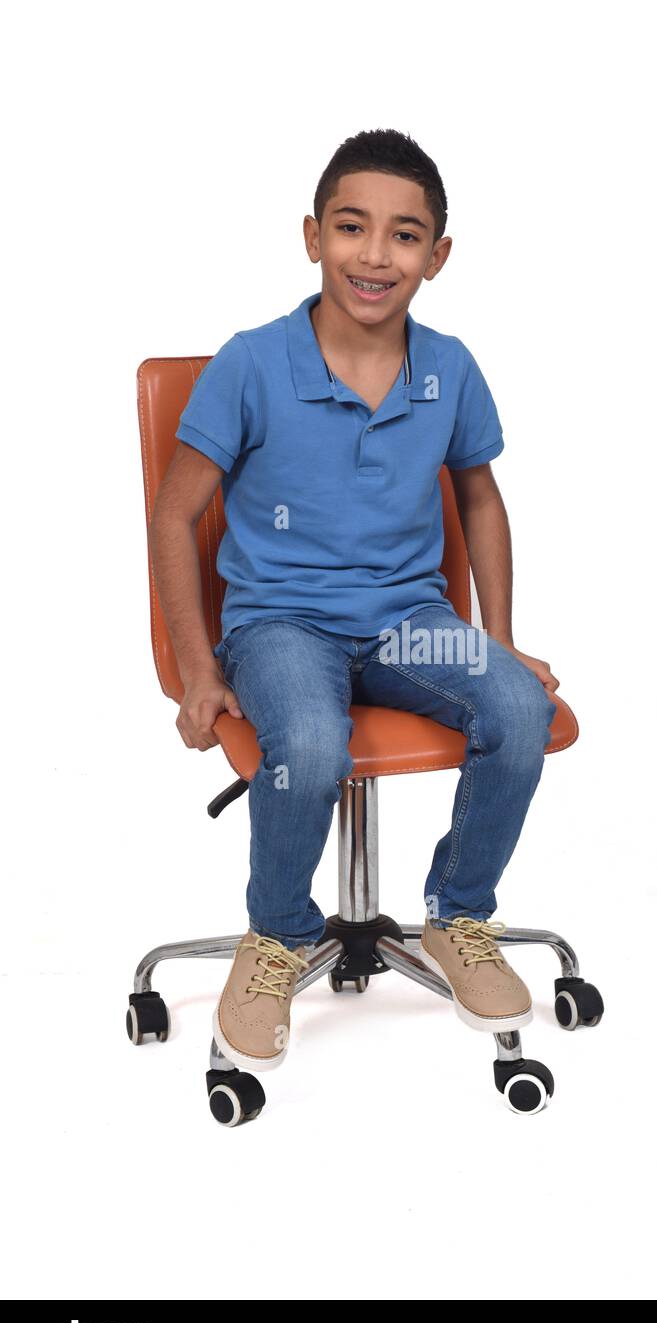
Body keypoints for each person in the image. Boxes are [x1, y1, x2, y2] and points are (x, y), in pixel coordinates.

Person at [149, 128, 560, 1073]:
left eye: (405, 236)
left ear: (438, 257)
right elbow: (177, 519)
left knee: (515, 705)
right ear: (311, 236)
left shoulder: (449, 368)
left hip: (410, 626)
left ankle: (459, 915)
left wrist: (500, 642)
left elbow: (480, 499)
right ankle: (279, 936)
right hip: (280, 623)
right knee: (305, 745)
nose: (375, 255)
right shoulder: (252, 362)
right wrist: (198, 671)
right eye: (351, 227)